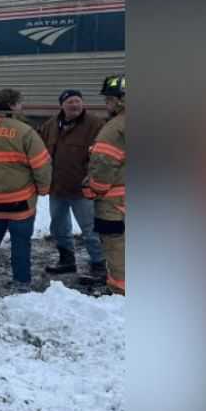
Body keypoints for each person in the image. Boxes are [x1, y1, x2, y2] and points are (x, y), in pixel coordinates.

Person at [0, 89, 53, 293]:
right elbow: (41, 165)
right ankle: (21, 282)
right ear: (12, 106)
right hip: (21, 200)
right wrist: (43, 189)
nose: (22, 107)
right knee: (20, 242)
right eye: (20, 103)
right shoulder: (25, 132)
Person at [40, 88, 107, 281]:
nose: (75, 105)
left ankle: (99, 264)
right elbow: (40, 149)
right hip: (57, 187)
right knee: (59, 227)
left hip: (83, 188)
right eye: (70, 102)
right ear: (62, 105)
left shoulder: (95, 124)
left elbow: (102, 154)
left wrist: (92, 176)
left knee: (90, 228)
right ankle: (66, 261)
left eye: (78, 101)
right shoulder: (51, 124)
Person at [85, 75, 127, 295]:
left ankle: (120, 289)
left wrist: (95, 187)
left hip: (115, 201)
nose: (106, 104)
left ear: (120, 100)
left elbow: (104, 161)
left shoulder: (114, 127)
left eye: (109, 100)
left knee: (115, 242)